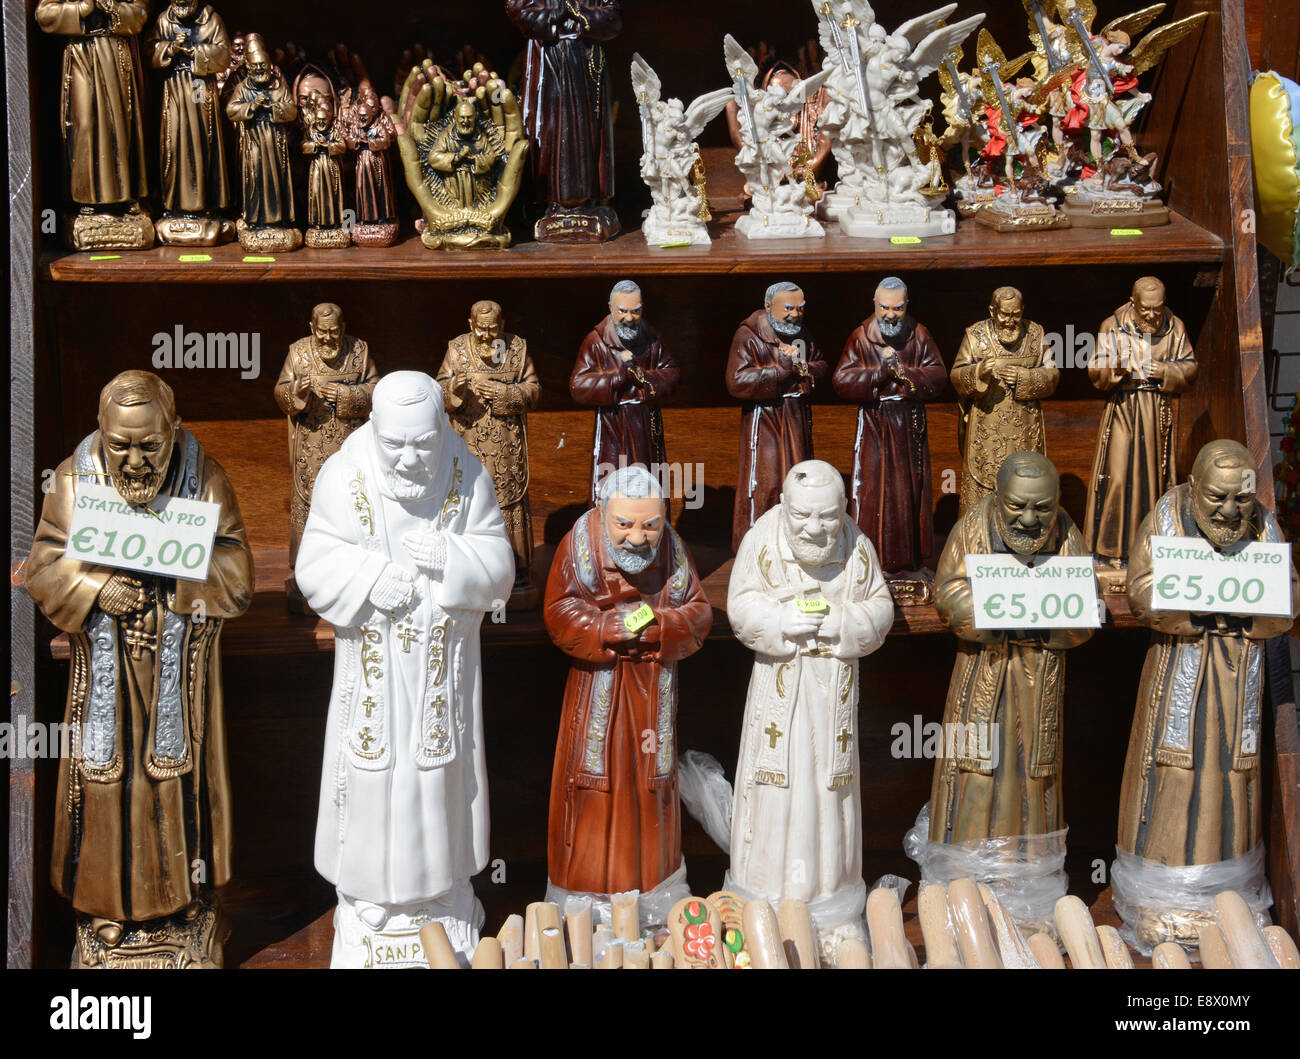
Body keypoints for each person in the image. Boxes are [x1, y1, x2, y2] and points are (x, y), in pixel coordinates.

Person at [25, 370, 253, 965]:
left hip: (178, 675)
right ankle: (107, 913)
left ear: (172, 432)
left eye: (149, 446)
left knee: (172, 787)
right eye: (120, 444)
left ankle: (182, 907)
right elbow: (44, 567)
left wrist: (176, 575)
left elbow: (238, 574)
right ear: (101, 433)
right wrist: (98, 588)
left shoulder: (204, 479)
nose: (133, 461)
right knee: (107, 788)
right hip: (106, 668)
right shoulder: (74, 480)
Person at [296, 372, 514, 966]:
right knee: (372, 780)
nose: (411, 458)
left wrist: (454, 557)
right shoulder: (344, 476)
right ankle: (370, 903)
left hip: (442, 675)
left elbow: (499, 568)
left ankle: (440, 896)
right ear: (374, 429)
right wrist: (368, 578)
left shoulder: (468, 475)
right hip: (374, 674)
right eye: (396, 445)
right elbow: (313, 564)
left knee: (438, 777)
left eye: (423, 442)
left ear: (443, 426)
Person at [1113, 440, 1299, 950]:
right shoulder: (1168, 515)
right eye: (1217, 498)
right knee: (1175, 774)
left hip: (1239, 679)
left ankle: (1227, 899)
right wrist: (1214, 607)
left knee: (1232, 782)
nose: (1231, 510)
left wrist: (1218, 603)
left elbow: (1287, 597)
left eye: (1241, 499)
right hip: (1180, 672)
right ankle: (1161, 901)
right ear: (1194, 486)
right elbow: (1143, 589)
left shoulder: (1263, 522)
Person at [727, 461, 894, 958]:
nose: (815, 529)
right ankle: (767, 906)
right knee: (778, 795)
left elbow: (880, 608)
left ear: (843, 511)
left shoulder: (857, 545)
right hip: (780, 695)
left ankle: (830, 909)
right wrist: (784, 619)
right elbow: (740, 607)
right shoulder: (762, 539)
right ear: (785, 507)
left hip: (831, 698)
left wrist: (838, 621)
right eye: (803, 517)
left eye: (827, 517)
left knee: (829, 796)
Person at [543, 466, 712, 920]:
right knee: (594, 788)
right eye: (624, 524)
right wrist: (602, 626)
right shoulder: (576, 547)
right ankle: (587, 904)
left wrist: (662, 627)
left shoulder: (675, 551)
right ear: (603, 516)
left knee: (651, 788)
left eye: (650, 525)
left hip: (653, 691)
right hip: (598, 689)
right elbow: (558, 610)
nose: (638, 538)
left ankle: (654, 897)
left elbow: (698, 613)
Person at [928, 451, 1094, 844]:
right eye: (1017, 506)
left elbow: (1085, 610)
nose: (1030, 519)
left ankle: (1028, 871)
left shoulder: (1066, 531)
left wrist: (1035, 619)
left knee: (1033, 777)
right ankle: (967, 865)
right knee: (975, 770)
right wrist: (1010, 616)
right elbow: (949, 595)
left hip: (1039, 676)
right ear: (998, 496)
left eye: (1043, 508)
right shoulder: (971, 527)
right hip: (983, 671)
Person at [832, 277, 947, 595]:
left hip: (908, 425)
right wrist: (880, 373)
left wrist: (905, 374)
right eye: (884, 307)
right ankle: (873, 559)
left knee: (909, 492)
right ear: (874, 304)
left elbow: (938, 375)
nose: (891, 314)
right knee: (874, 491)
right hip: (875, 425)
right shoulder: (861, 336)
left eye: (897, 307)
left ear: (906, 305)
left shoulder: (919, 334)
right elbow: (842, 379)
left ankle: (908, 562)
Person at [1085, 276, 1197, 572]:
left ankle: (1151, 551)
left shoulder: (1176, 327)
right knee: (1118, 478)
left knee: (1154, 482)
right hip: (1123, 408)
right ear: (1132, 302)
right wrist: (1118, 367)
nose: (1151, 315)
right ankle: (1111, 551)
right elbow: (1095, 370)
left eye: (1157, 309)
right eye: (1145, 308)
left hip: (1156, 410)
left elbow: (1190, 370)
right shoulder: (1113, 326)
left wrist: (1165, 370)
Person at [436, 300, 542, 609]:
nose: (486, 336)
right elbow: (440, 391)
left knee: (508, 503)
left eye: (493, 328)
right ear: (470, 325)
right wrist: (453, 389)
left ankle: (517, 572)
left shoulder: (517, 348)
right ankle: (468, 572)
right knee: (468, 501)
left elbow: (533, 390)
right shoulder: (456, 350)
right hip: (467, 443)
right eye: (480, 329)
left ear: (503, 324)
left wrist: (506, 393)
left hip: (506, 447)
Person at [273, 303, 379, 608]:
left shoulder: (360, 350)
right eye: (322, 333)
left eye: (334, 332)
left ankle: (352, 572)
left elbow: (375, 389)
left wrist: (349, 395)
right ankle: (307, 575)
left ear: (343, 328)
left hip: (350, 446)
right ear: (311, 328)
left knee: (350, 504)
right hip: (312, 447)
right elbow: (281, 392)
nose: (328, 339)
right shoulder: (298, 353)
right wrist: (298, 393)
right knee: (311, 504)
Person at [506, 0, 623, 239]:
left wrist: (579, 14)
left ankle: (587, 199)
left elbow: (613, 18)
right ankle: (551, 202)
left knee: (586, 131)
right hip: (547, 62)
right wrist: (559, 12)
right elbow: (520, 14)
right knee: (550, 130)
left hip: (585, 63)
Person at [727, 282, 828, 552]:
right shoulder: (748, 336)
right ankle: (760, 546)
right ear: (769, 306)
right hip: (766, 421)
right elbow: (737, 381)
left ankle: (797, 543)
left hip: (795, 418)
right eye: (788, 308)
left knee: (799, 479)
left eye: (800, 308)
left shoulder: (801, 334)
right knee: (767, 482)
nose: (795, 314)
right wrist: (779, 370)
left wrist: (803, 367)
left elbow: (820, 365)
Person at [36, 0, 150, 214]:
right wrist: (81, 9)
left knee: (118, 126)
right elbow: (45, 14)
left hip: (115, 52)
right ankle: (84, 198)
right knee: (84, 125)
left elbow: (140, 13)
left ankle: (123, 198)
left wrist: (113, 8)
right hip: (82, 53)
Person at [570, 280, 680, 503]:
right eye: (622, 311)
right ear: (610, 307)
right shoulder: (596, 342)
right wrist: (618, 378)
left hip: (646, 424)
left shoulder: (652, 339)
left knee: (649, 483)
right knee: (612, 481)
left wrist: (644, 377)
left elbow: (672, 374)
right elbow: (579, 386)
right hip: (613, 424)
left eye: (635, 311)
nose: (629, 318)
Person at [951, 286, 1058, 513]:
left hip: (1025, 431)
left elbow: (1053, 375)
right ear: (992, 311)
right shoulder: (975, 336)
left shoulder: (1036, 333)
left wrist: (1026, 377)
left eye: (1015, 314)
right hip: (986, 432)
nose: (1010, 321)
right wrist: (978, 373)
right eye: (1004, 314)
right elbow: (956, 375)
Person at [150, 1, 233, 244]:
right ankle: (175, 205)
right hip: (174, 87)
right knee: (175, 142)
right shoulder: (164, 21)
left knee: (201, 139)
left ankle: (206, 204)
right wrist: (170, 48)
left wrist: (194, 51)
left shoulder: (211, 20)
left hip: (199, 86)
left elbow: (224, 55)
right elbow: (149, 51)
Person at [225, 34, 298, 234]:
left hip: (275, 143)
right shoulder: (242, 88)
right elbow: (231, 110)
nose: (259, 69)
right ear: (248, 66)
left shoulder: (278, 86)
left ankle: (278, 220)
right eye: (255, 65)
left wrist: (274, 107)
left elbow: (292, 110)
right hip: (254, 143)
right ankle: (255, 220)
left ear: (270, 64)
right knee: (255, 179)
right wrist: (252, 106)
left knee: (276, 179)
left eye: (262, 64)